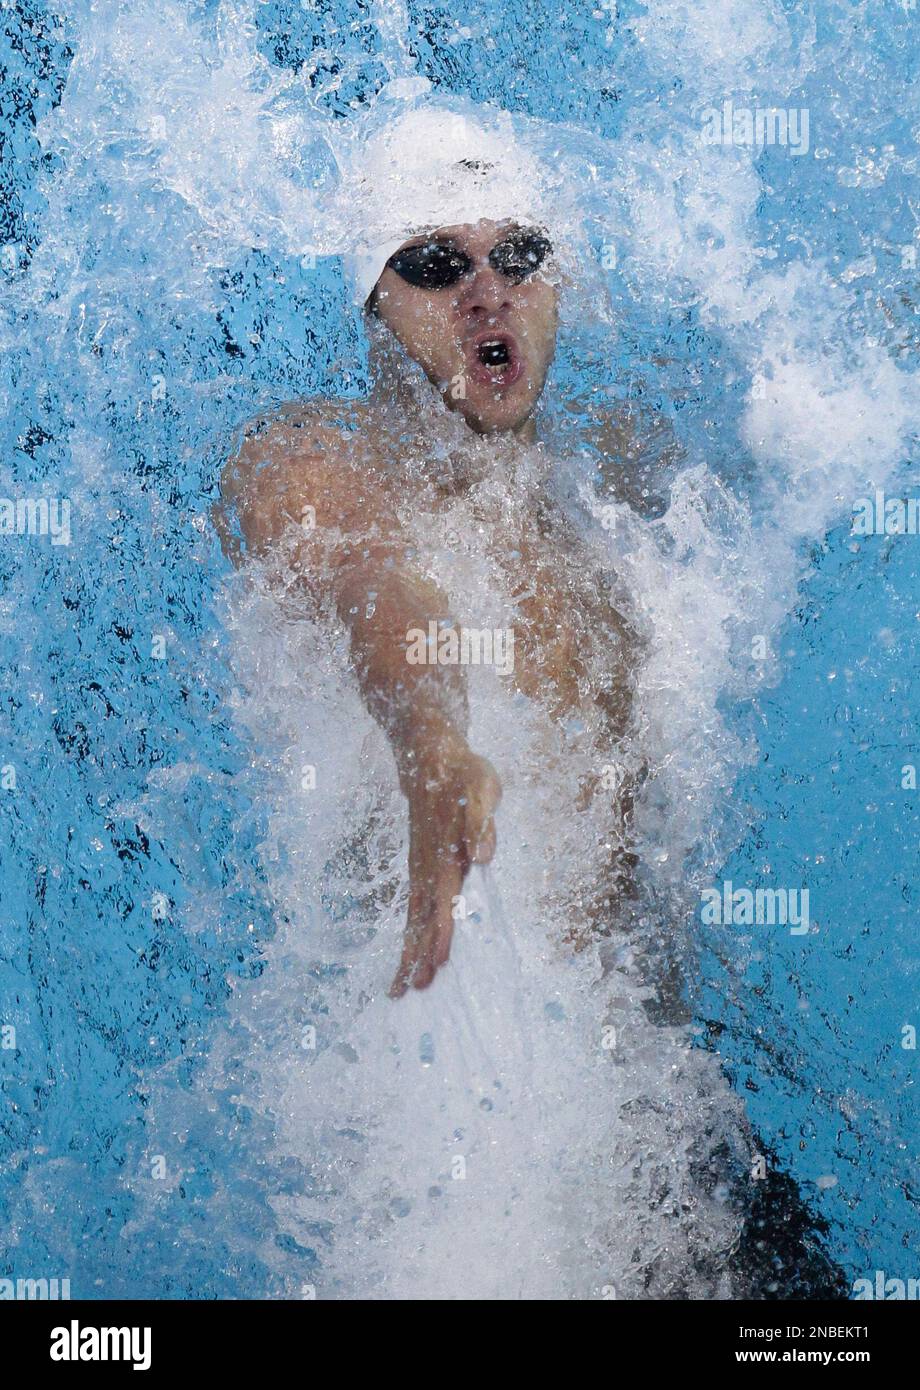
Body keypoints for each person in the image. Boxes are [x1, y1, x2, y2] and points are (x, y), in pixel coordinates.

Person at [215, 107, 639, 998]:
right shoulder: (306, 460)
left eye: (517, 254)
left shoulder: (619, 465)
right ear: (373, 305)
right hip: (432, 1033)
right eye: (436, 265)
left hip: (649, 1045)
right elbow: (374, 585)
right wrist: (430, 741)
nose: (488, 291)